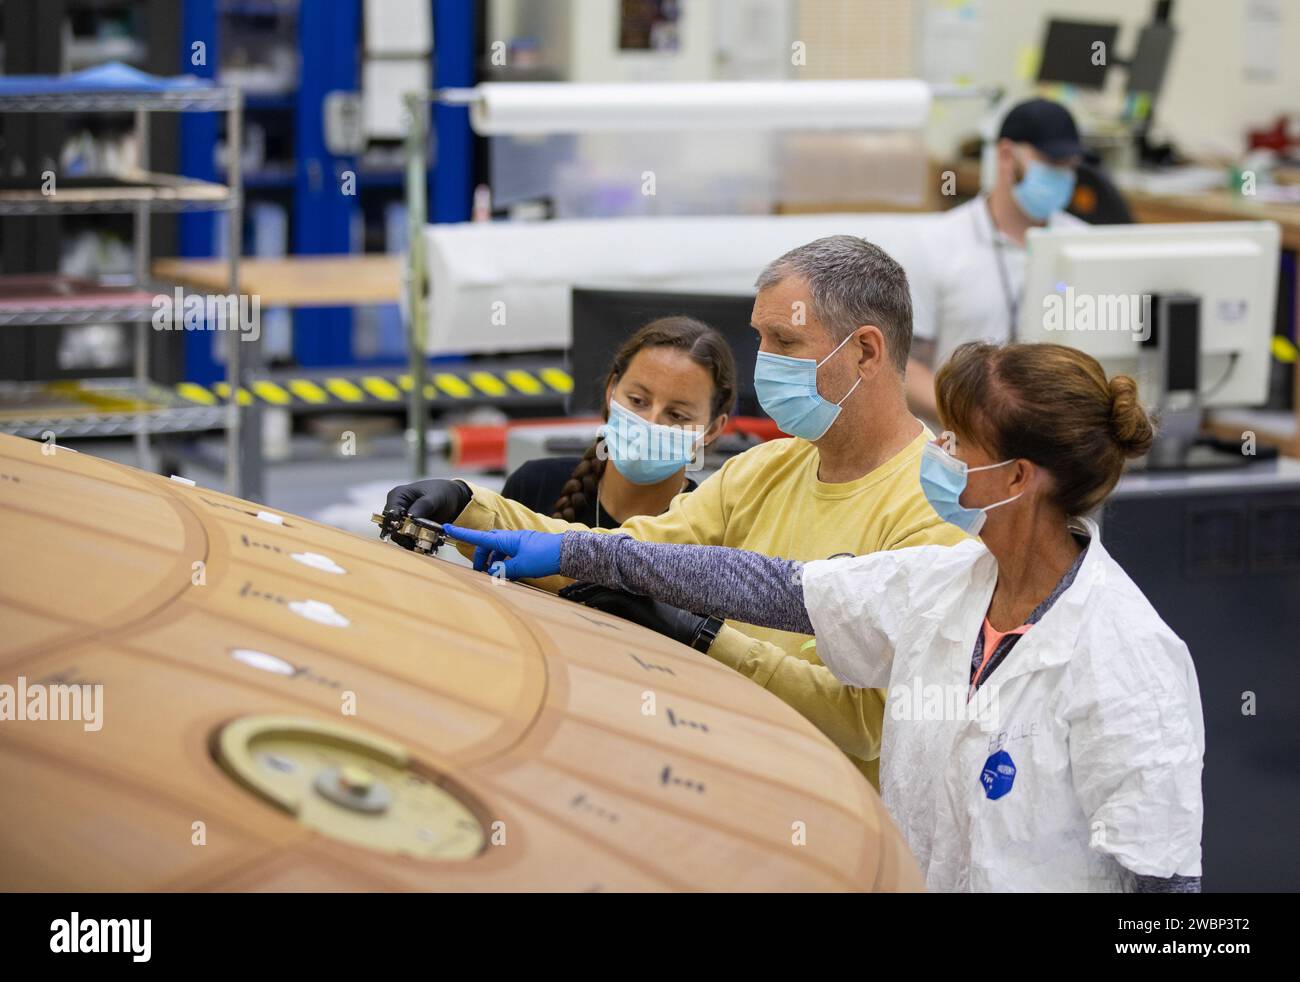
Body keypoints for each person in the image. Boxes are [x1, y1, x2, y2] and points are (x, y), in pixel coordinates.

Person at [442, 341, 1205, 893]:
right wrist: (579, 552)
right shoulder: (947, 585)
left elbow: (1175, 906)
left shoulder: (1126, 657)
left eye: (955, 441)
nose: (934, 452)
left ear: (1015, 477)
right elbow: (774, 588)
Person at [383, 235, 969, 789]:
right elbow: (629, 553)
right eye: (759, 339)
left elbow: (868, 724)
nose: (764, 364)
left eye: (785, 344)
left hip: (827, 820)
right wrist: (471, 505)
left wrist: (699, 633)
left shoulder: (936, 510)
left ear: (865, 351)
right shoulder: (763, 470)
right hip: (716, 778)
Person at [907, 98, 1087, 423]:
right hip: (961, 444)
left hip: (1058, 445)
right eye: (1051, 162)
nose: (1062, 176)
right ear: (1006, 155)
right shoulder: (936, 245)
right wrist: (977, 420)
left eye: (1070, 165)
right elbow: (905, 368)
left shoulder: (1085, 246)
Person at [501, 317, 734, 529]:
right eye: (638, 400)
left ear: (712, 429)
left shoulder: (708, 534)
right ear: (612, 389)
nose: (650, 423)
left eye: (677, 415)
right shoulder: (533, 486)